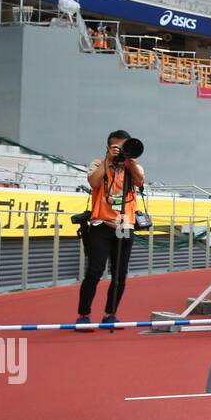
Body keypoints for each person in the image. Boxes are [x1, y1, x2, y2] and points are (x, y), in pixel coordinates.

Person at [77, 129, 145, 331]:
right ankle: (84, 315)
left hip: (124, 227)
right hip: (101, 225)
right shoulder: (98, 164)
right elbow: (93, 182)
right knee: (94, 272)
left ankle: (110, 313)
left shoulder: (133, 167)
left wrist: (129, 161)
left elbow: (140, 181)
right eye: (117, 147)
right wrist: (108, 160)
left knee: (119, 274)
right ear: (108, 147)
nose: (120, 150)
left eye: (124, 146)